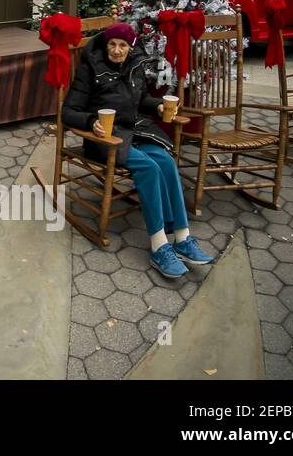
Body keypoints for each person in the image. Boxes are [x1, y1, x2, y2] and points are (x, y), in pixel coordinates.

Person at [61, 22, 216, 279]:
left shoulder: (135, 67)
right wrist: (91, 122)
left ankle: (182, 237)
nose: (117, 50)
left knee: (165, 162)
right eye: (112, 44)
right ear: (106, 45)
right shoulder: (91, 69)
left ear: (130, 47)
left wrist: (155, 106)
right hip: (104, 139)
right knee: (149, 168)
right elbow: (68, 112)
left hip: (134, 130)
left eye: (122, 45)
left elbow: (140, 99)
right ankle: (159, 245)